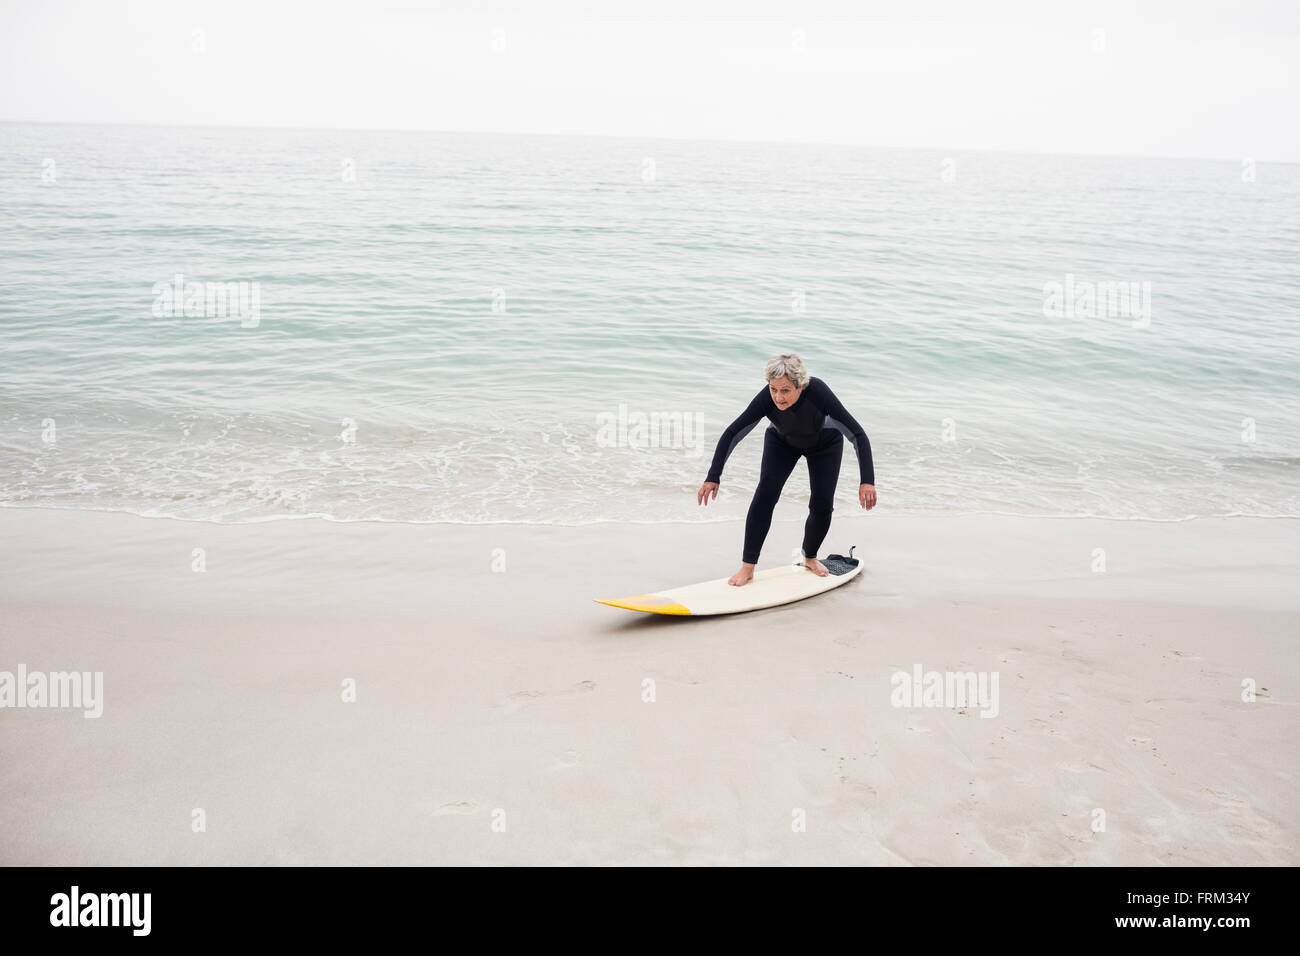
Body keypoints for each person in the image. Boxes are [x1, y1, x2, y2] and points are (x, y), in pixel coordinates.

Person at [697, 353, 877, 586]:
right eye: (773, 389)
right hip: (782, 442)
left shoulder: (819, 392)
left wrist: (867, 481)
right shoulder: (766, 398)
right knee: (765, 495)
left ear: (800, 386)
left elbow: (857, 435)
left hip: (825, 444)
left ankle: (810, 557)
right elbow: (733, 432)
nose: (778, 397)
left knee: (822, 504)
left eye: (785, 390)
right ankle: (747, 568)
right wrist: (713, 476)